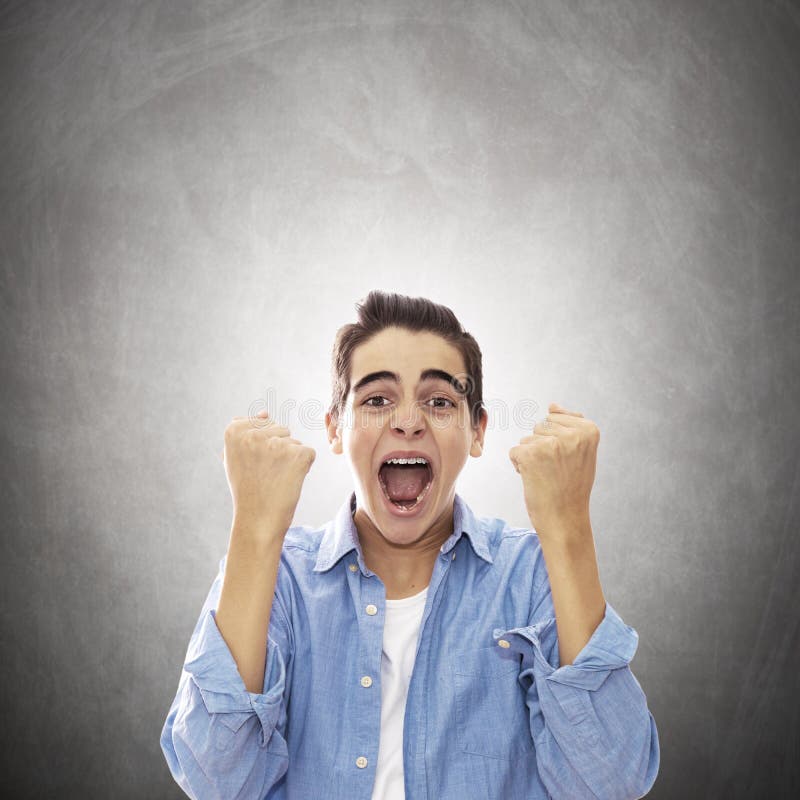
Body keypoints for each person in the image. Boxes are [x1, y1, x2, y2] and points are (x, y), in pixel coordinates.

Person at [160, 290, 660, 799]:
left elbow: (611, 783)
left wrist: (569, 526)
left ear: (477, 431)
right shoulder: (276, 575)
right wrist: (253, 528)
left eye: (439, 401)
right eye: (376, 400)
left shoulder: (532, 574)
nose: (407, 420)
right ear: (335, 428)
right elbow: (217, 782)